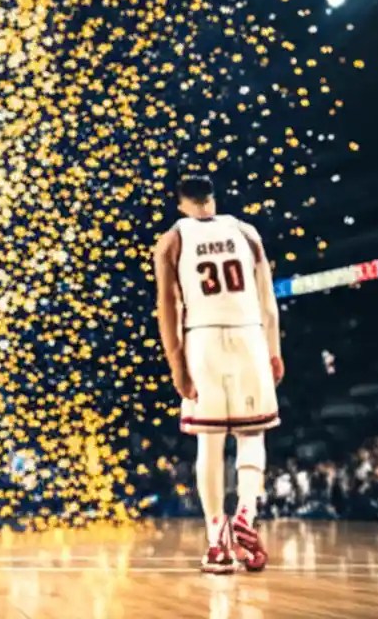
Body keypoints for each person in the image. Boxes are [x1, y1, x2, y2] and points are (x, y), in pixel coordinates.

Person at [152, 175, 285, 574]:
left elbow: (168, 306)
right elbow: (269, 302)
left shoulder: (172, 239)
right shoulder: (246, 233)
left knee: (208, 444)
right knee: (252, 435)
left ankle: (217, 540)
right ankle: (246, 512)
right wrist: (274, 351)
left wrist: (177, 363)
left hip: (203, 339)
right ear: (214, 197)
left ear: (181, 203)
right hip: (249, 336)